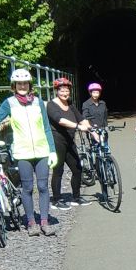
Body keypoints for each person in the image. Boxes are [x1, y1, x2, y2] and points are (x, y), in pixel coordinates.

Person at [0, 68, 59, 236]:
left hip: (42, 150)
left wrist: (52, 150)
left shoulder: (39, 102)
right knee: (27, 187)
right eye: (19, 84)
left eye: (25, 83)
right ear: (14, 85)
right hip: (23, 152)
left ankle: (45, 222)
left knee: (43, 187)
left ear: (30, 85)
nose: (22, 86)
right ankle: (31, 223)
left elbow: (47, 128)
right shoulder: (9, 103)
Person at [47, 77, 91, 208]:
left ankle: (76, 197)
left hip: (69, 140)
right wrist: (78, 127)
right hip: (58, 141)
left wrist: (92, 131)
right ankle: (56, 200)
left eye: (67, 91)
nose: (65, 93)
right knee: (58, 170)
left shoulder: (70, 104)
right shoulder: (51, 105)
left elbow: (81, 118)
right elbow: (60, 120)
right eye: (62, 91)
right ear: (56, 91)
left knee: (77, 169)